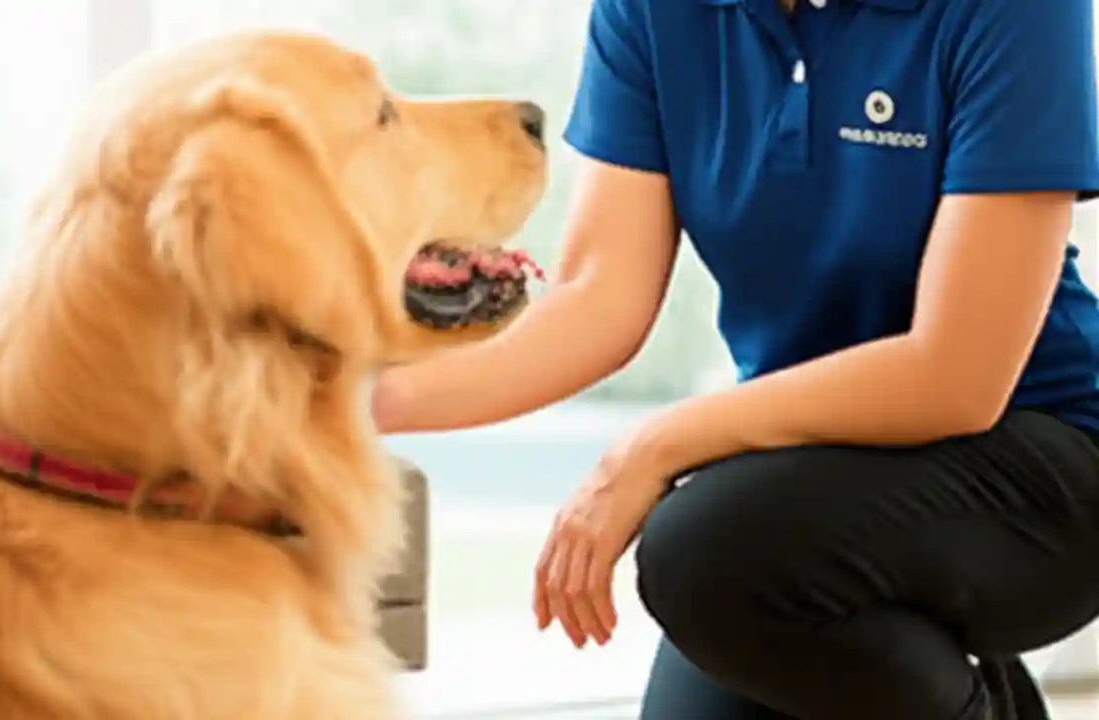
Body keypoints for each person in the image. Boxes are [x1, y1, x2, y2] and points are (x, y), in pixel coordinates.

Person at [372, 0, 1099, 717]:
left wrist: (652, 448)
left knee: (700, 556)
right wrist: (347, 401)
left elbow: (957, 377)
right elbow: (598, 299)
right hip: (815, 480)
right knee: (719, 590)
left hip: (1041, 459)